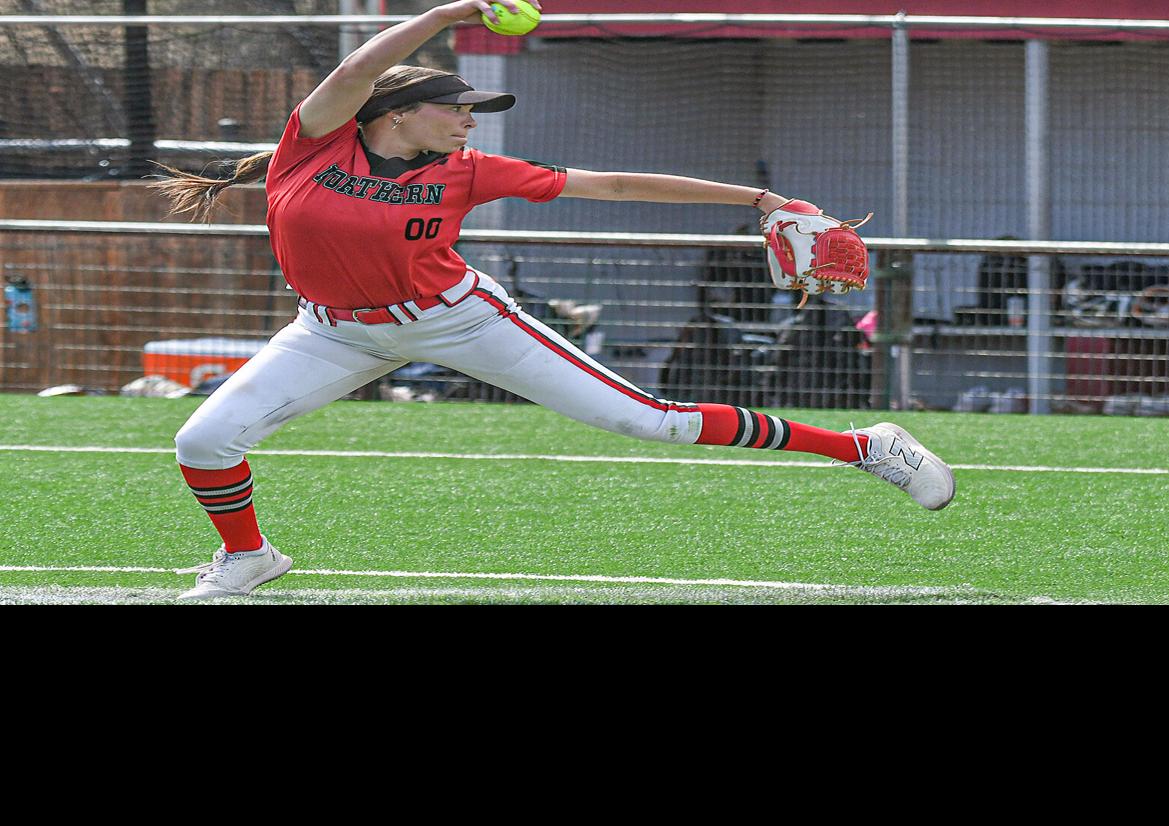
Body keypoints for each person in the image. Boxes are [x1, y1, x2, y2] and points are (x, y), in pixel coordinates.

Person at [151, 0, 954, 600]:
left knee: (651, 419)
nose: (470, 122)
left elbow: (606, 184)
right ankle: (250, 557)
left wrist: (755, 197)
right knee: (205, 440)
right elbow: (354, 74)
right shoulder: (313, 144)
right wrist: (451, 12)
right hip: (331, 333)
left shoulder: (468, 170)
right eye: (456, 109)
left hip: (459, 320)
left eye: (473, 112)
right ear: (398, 115)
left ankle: (865, 446)